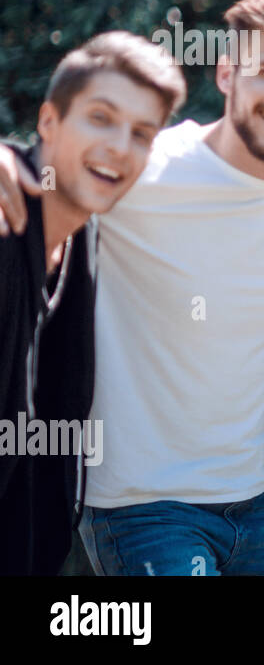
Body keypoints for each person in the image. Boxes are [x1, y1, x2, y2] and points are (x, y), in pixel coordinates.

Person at [0, 0, 264, 575]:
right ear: (227, 73)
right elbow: (50, 167)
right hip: (141, 503)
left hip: (256, 497)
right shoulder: (145, 166)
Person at [0, 32, 185, 575]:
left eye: (140, 134)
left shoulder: (91, 241)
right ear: (49, 122)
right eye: (100, 118)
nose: (119, 147)